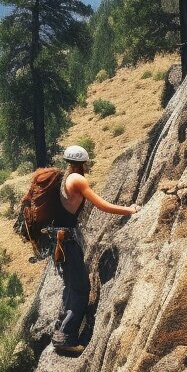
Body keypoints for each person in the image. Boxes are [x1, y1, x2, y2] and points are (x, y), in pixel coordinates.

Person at [50, 144, 140, 354]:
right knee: (81, 289)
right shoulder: (78, 180)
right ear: (83, 163)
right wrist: (130, 210)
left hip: (59, 238)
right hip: (68, 240)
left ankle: (60, 331)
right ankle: (66, 338)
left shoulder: (64, 178)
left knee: (71, 286)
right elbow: (102, 205)